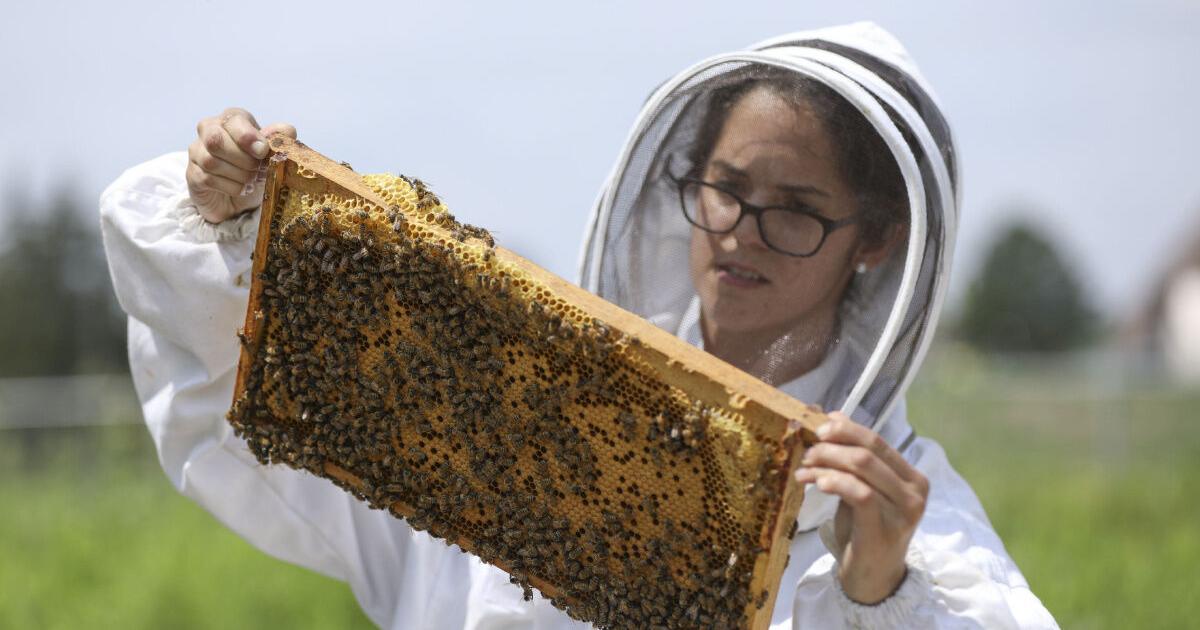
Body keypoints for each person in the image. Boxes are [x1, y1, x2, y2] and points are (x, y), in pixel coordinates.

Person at [100, 22, 1058, 629]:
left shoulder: (911, 528)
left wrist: (879, 597)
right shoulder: (520, 408)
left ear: (877, 242)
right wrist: (233, 220)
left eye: (796, 208)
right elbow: (236, 409)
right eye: (723, 189)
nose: (738, 234)